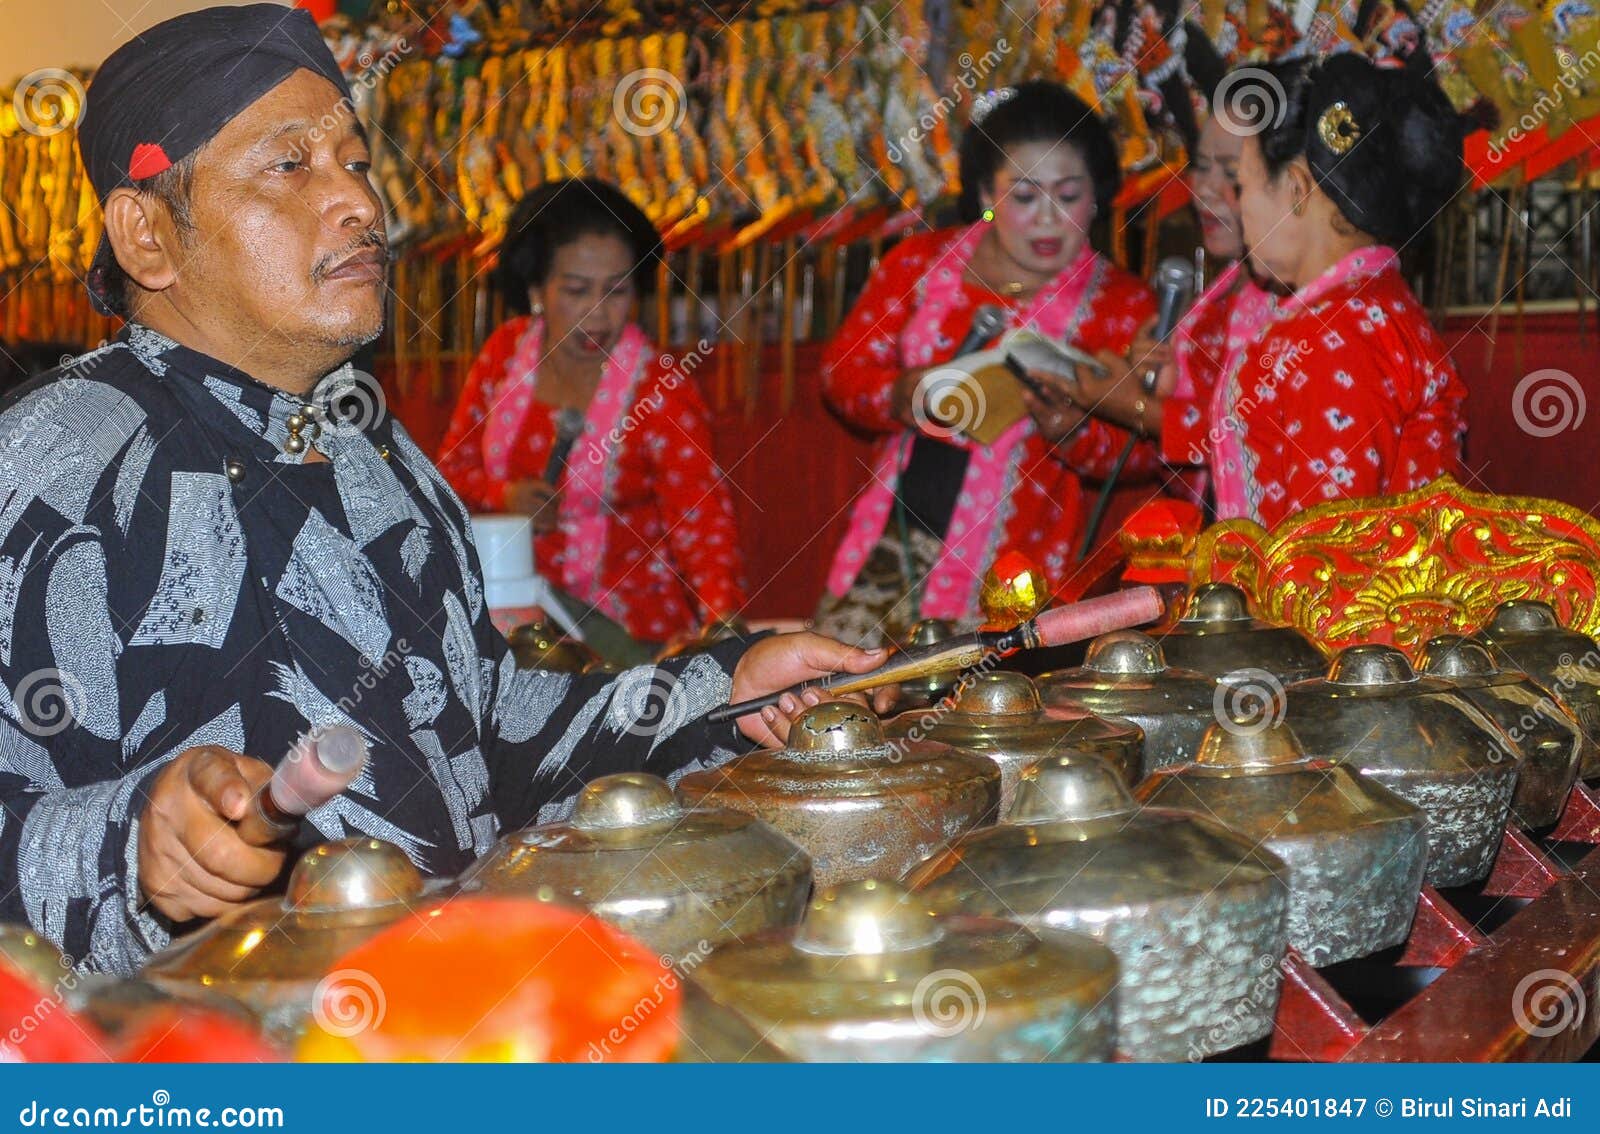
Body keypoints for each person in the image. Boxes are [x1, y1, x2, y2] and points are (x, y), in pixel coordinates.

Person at [0, 5, 881, 976]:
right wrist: (131, 845)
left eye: (357, 162)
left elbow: (488, 727)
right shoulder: (57, 459)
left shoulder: (365, 438)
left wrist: (720, 685)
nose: (361, 205)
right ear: (148, 235)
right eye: (290, 166)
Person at [815, 82, 1159, 645]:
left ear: (1097, 197)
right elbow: (842, 371)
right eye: (1024, 197)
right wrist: (901, 394)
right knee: (845, 705)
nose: (1047, 220)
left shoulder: (1123, 306)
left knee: (987, 715)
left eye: (1069, 196)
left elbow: (1150, 444)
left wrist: (1072, 433)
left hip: (1016, 561)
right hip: (891, 542)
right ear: (985, 194)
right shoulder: (922, 263)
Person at [1063, 55, 1467, 527]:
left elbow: (1323, 558)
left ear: (1295, 189)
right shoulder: (1367, 307)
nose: (1236, 205)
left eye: (1242, 183)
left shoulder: (1332, 336)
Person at [439, 180, 745, 643]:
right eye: (577, 291)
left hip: (628, 636)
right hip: (513, 618)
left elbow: (701, 523)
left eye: (617, 292)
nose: (598, 315)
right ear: (537, 288)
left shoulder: (662, 388)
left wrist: (723, 629)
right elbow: (448, 472)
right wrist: (502, 496)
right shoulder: (505, 353)